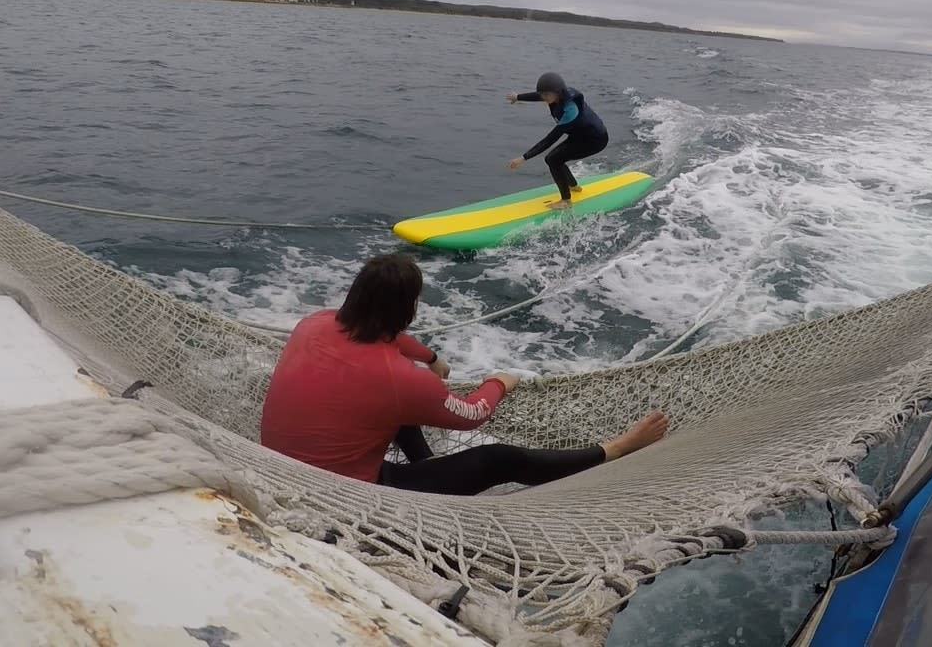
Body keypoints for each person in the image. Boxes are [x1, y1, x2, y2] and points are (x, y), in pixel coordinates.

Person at [260, 253, 669, 496]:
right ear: (408, 310)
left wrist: (432, 357)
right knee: (499, 458)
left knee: (392, 407)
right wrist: (499, 383)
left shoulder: (313, 323)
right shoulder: (400, 379)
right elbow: (474, 413)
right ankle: (615, 449)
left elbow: (388, 338)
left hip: (277, 465)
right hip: (348, 492)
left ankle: (429, 465)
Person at [506, 71, 610, 210]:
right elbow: (538, 95)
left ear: (557, 92)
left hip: (595, 140)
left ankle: (566, 201)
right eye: (542, 94)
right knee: (556, 158)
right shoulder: (554, 95)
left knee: (553, 159)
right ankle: (574, 186)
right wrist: (518, 97)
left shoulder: (570, 110)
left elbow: (550, 139)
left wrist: (523, 158)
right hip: (579, 136)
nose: (543, 97)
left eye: (546, 95)